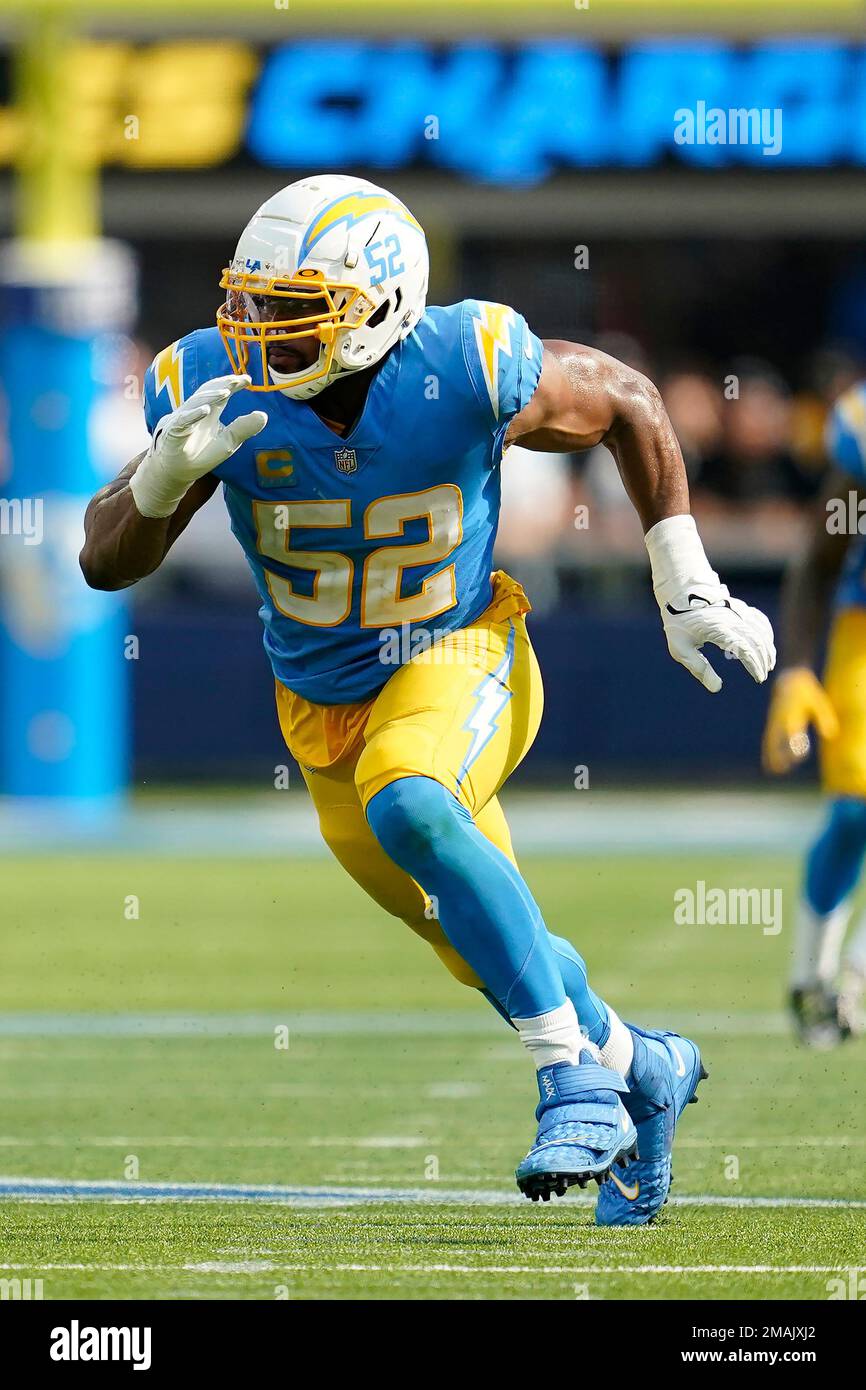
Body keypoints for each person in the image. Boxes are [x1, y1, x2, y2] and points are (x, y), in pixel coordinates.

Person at [80, 175, 775, 1223]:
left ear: (381, 306)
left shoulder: (465, 361)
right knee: (492, 943)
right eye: (253, 305)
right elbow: (101, 562)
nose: (261, 332)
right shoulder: (211, 381)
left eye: (295, 307)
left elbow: (626, 399)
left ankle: (570, 1080)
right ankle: (645, 1066)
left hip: (461, 649)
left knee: (409, 795)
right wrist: (160, 477)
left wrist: (681, 579)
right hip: (324, 713)